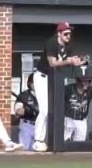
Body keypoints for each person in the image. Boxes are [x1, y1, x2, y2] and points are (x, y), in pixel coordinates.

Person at [31, 22, 87, 152]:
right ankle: (38, 141)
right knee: (44, 109)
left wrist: (79, 61)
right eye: (66, 34)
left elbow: (73, 61)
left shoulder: (70, 46)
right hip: (43, 77)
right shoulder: (51, 42)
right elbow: (52, 63)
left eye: (70, 33)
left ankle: (53, 141)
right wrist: (68, 61)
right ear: (59, 34)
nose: (68, 36)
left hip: (57, 79)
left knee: (56, 109)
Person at [64, 77, 92, 143]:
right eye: (84, 81)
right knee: (64, 142)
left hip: (82, 120)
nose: (86, 84)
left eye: (88, 81)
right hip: (68, 119)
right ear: (78, 81)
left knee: (79, 144)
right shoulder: (68, 88)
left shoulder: (90, 89)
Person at [13, 74, 39, 150]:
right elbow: (18, 111)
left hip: (39, 126)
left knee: (38, 152)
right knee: (24, 150)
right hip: (27, 125)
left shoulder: (44, 95)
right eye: (34, 82)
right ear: (30, 84)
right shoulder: (23, 95)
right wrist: (29, 110)